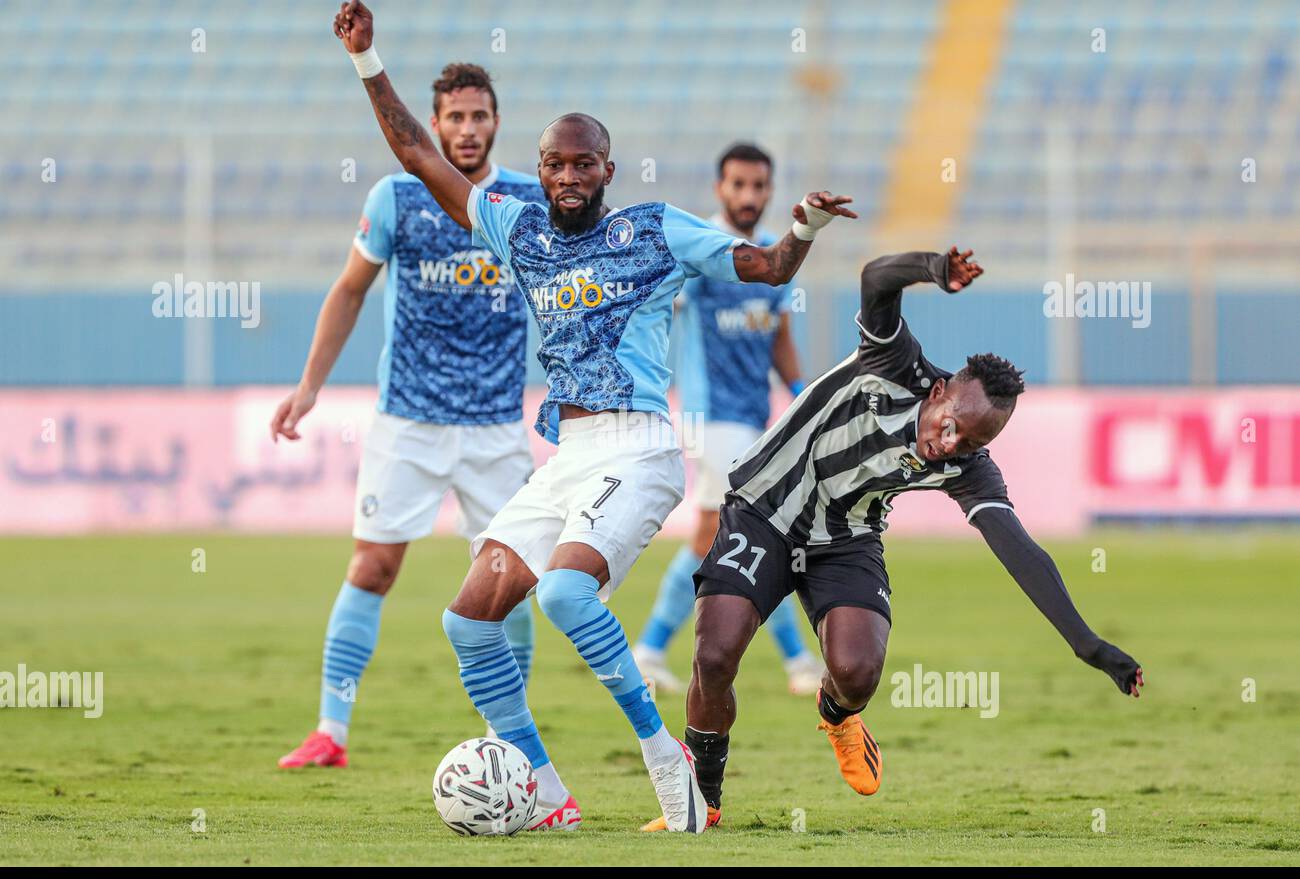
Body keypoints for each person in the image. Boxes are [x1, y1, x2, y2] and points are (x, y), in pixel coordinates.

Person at [332, 0, 857, 831]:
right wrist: (368, 59)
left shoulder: (654, 231)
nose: (568, 177)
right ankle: (545, 790)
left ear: (608, 170)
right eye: (554, 164)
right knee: (466, 620)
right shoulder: (517, 230)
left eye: (583, 164)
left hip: (640, 451)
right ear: (538, 171)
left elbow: (765, 266)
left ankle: (668, 762)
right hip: (568, 455)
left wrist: (805, 227)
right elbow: (416, 152)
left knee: (565, 596)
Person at [656, 247, 1144, 830]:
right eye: (952, 426)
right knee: (714, 656)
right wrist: (932, 269)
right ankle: (704, 801)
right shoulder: (894, 362)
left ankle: (838, 714)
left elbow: (1020, 552)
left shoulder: (968, 467)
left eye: (971, 443)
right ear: (939, 393)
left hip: (846, 538)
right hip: (763, 511)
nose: (951, 444)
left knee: (857, 673)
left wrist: (1087, 644)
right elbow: (876, 279)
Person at [273, 64, 545, 781]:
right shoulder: (396, 196)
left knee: (509, 579)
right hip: (408, 423)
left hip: (496, 428)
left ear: (496, 122)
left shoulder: (526, 201)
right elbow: (349, 291)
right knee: (373, 566)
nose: (467, 129)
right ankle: (330, 730)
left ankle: (508, 740)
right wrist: (308, 388)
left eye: (479, 116)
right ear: (435, 123)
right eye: (454, 117)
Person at [633, 142, 822, 696]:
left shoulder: (775, 256)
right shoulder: (702, 249)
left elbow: (778, 334)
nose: (748, 195)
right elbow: (657, 304)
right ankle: (797, 662)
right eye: (737, 184)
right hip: (709, 416)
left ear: (769, 190)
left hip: (752, 420)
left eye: (758, 185)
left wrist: (799, 394)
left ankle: (649, 650)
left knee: (715, 538)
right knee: (758, 536)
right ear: (719, 188)